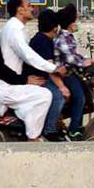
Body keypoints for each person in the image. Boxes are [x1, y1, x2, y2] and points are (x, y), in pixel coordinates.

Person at [0, 0, 65, 141]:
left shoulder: (17, 28)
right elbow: (28, 55)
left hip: (11, 83)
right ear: (20, 10)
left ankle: (26, 131)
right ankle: (33, 137)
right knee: (46, 95)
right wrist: (53, 68)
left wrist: (26, 79)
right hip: (6, 87)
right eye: (29, 6)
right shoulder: (14, 30)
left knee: (39, 93)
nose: (32, 9)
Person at [53, 4, 94, 139]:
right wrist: (84, 62)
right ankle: (73, 130)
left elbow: (74, 54)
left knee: (84, 97)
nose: (78, 23)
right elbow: (70, 58)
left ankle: (77, 126)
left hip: (72, 73)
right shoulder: (63, 37)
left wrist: (88, 60)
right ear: (71, 23)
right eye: (76, 20)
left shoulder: (69, 36)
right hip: (66, 74)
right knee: (80, 98)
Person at [28, 8, 70, 140]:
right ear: (55, 27)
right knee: (58, 96)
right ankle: (49, 130)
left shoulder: (42, 39)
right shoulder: (43, 41)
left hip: (42, 78)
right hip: (39, 80)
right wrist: (62, 87)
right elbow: (50, 69)